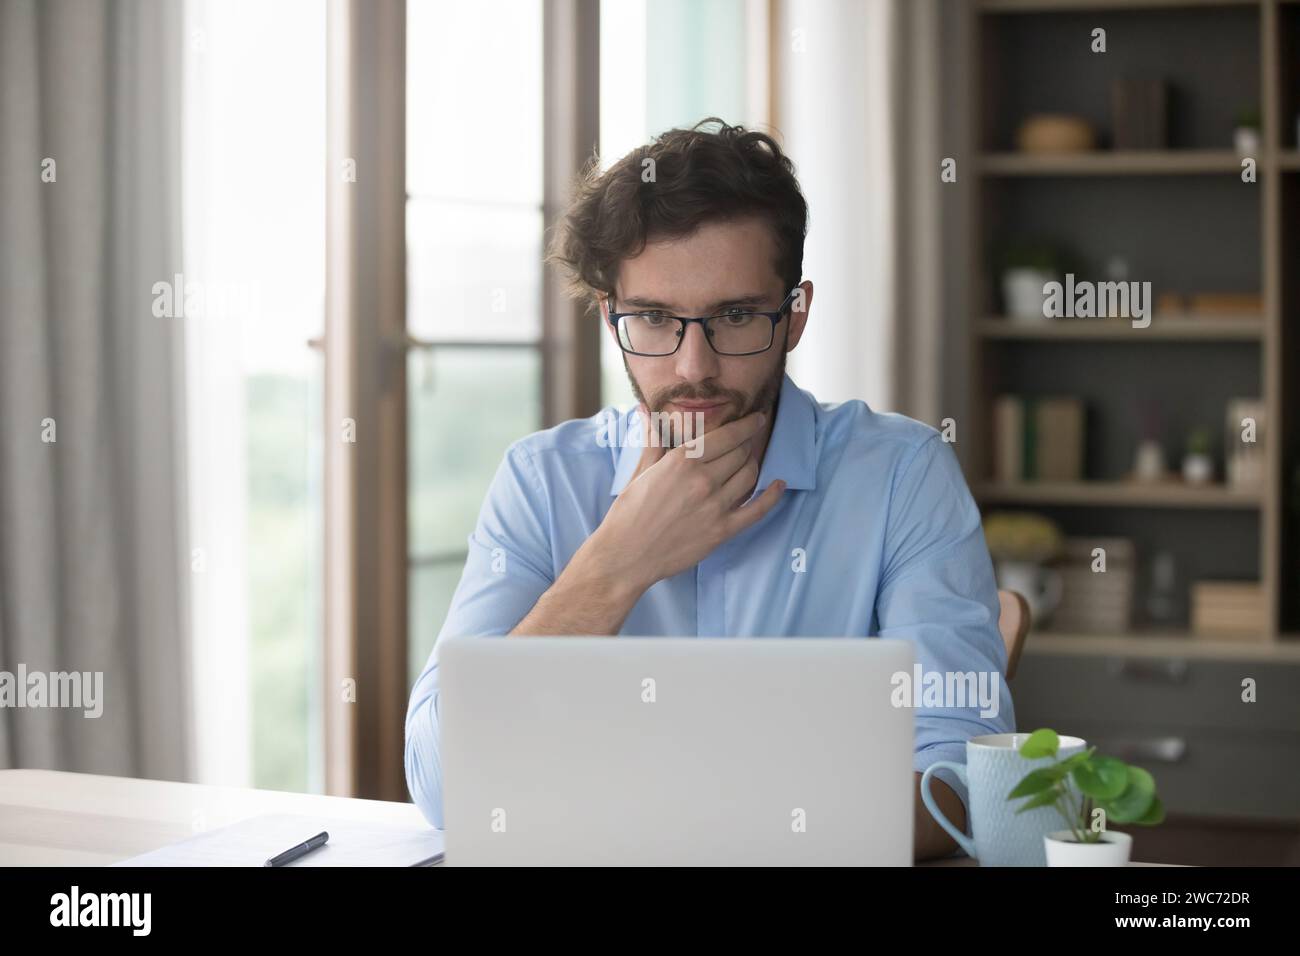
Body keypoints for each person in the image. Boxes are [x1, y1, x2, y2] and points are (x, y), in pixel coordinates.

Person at [405, 117, 1015, 861]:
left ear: (794, 315)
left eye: (734, 315)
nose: (694, 365)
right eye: (655, 319)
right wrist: (616, 565)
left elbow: (953, 781)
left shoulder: (901, 475)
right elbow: (443, 784)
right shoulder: (542, 481)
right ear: (611, 316)